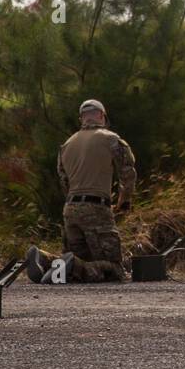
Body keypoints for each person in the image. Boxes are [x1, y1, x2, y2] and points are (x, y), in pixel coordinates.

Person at [27, 99, 136, 283]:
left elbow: (63, 181)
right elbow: (128, 174)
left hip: (70, 209)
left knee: (81, 263)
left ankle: (44, 259)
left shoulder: (67, 145)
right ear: (102, 116)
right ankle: (70, 265)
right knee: (115, 270)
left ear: (81, 119)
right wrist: (124, 201)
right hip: (97, 209)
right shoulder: (111, 139)